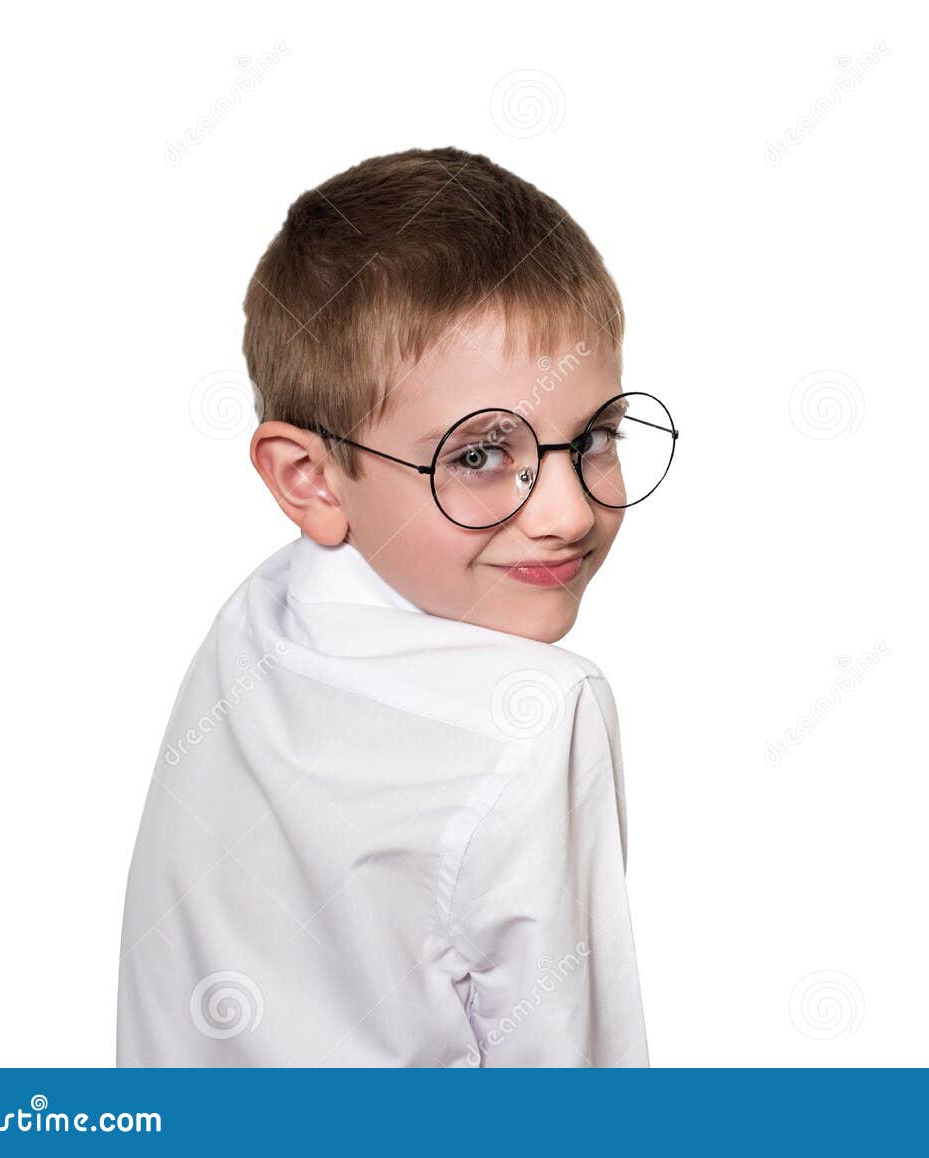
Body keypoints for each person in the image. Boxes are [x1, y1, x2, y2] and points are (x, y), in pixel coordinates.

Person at [116, 147, 676, 1066]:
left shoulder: (258, 615)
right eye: (478, 455)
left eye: (598, 437)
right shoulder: (538, 718)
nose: (570, 512)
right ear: (309, 477)